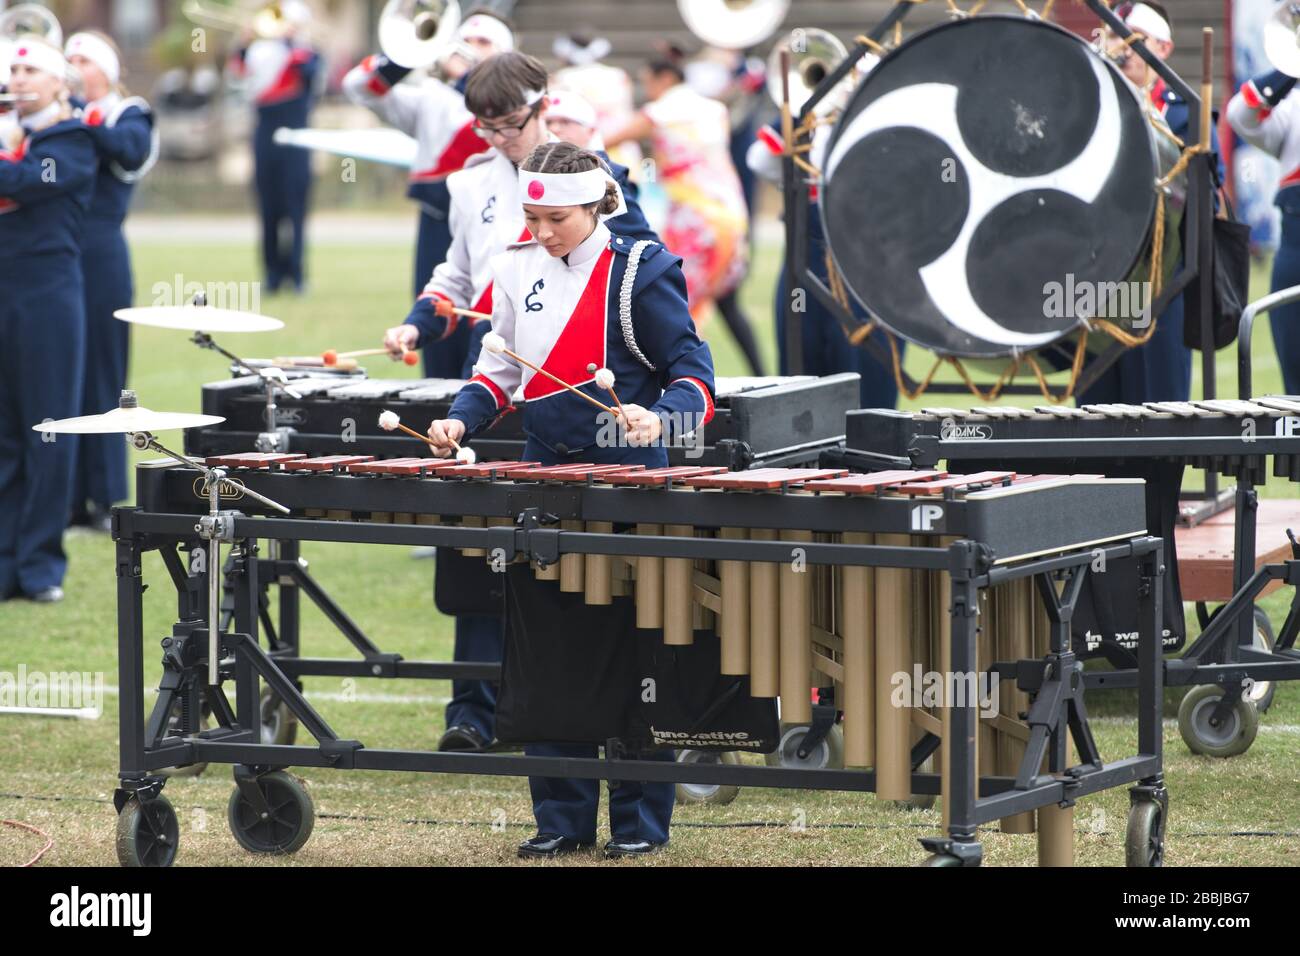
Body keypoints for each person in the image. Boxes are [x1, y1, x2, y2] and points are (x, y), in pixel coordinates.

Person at [423, 142, 716, 859]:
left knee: (634, 653)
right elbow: (497, 371)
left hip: (630, 484)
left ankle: (640, 825)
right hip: (545, 483)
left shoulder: (642, 272)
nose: (542, 230)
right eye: (533, 215)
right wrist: (461, 418)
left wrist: (660, 417)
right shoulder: (517, 262)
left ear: (597, 206)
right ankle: (560, 818)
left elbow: (695, 375)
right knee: (548, 650)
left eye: (556, 218)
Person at [380, 52, 659, 755]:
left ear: (542, 108)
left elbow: (634, 268)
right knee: (483, 563)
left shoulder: (599, 181)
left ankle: (611, 736)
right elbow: (457, 273)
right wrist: (422, 318)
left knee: (592, 592)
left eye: (510, 125)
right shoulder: (471, 184)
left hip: (581, 399)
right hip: (497, 384)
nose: (500, 141)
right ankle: (475, 711)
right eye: (488, 129)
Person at [342, 8, 512, 377]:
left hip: (497, 221)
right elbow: (358, 87)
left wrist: (473, 76)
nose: (471, 47)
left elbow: (490, 112)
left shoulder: (515, 103)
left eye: (485, 42)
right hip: (437, 219)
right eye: (465, 40)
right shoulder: (430, 97)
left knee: (490, 314)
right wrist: (407, 56)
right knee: (435, 311)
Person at [1080, 1, 1223, 405]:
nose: (1122, 50)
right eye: (1113, 38)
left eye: (1134, 41)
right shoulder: (1092, 108)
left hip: (1161, 280)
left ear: (1163, 49)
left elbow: (1207, 200)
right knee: (1095, 404)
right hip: (1100, 277)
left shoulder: (1185, 113)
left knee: (1158, 402)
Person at [0, 36, 98, 603]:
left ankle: (41, 562)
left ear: (60, 82)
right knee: (7, 434)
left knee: (49, 430)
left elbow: (30, 180)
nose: (17, 77)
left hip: (47, 295)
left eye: (30, 68)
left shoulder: (72, 138)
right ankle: (7, 561)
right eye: (12, 68)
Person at [606, 45, 766, 376]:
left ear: (665, 78)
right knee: (727, 303)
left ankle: (685, 380)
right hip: (731, 215)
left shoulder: (660, 111)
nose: (646, 90)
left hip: (694, 219)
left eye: (648, 82)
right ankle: (764, 376)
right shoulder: (714, 109)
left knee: (678, 303)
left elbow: (606, 137)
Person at [65, 30, 158, 531]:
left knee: (102, 374)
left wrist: (74, 120)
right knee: (58, 376)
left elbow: (129, 151)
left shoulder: (130, 113)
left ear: (108, 70)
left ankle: (103, 496)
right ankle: (66, 498)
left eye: (84, 59)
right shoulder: (63, 117)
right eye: (69, 58)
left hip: (100, 256)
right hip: (53, 257)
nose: (75, 65)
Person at [227, 0, 320, 294]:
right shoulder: (259, 53)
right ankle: (271, 275)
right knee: (268, 210)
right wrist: (245, 42)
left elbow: (308, 71)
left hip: (296, 139)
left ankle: (297, 274)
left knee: (295, 211)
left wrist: (290, 39)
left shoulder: (304, 54)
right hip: (265, 137)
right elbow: (238, 74)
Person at [1226, 48, 1300, 394]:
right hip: (1295, 244)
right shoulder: (1294, 102)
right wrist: (1291, 65)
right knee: (1295, 382)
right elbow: (1241, 114)